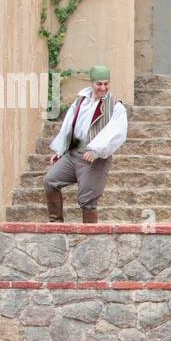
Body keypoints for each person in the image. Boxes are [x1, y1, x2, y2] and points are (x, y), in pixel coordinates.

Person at [44, 65, 128, 224]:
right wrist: (61, 149)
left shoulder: (115, 107)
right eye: (99, 84)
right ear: (92, 83)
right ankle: (55, 224)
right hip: (74, 154)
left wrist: (96, 150)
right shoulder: (81, 101)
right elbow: (69, 125)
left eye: (106, 84)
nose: (103, 88)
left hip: (94, 159)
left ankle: (90, 237)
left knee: (87, 200)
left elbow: (116, 133)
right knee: (51, 180)